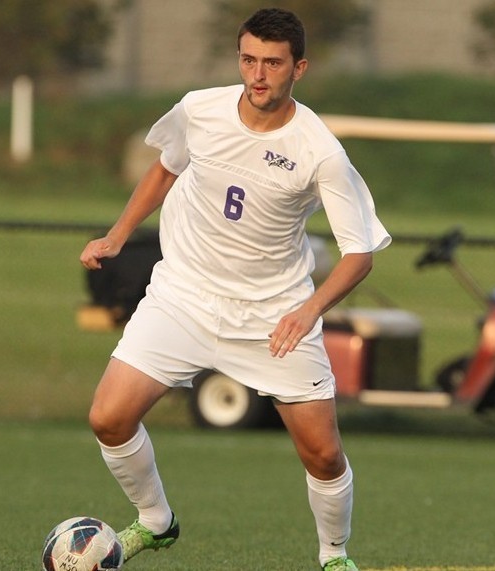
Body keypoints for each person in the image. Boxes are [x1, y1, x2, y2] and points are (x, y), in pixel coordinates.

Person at [79, 8, 390, 571]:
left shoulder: (320, 150)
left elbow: (360, 253)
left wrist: (308, 310)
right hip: (183, 296)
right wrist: (118, 235)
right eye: (248, 59)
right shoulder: (200, 108)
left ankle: (334, 556)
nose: (258, 75)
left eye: (272, 63)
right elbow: (165, 168)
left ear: (300, 68)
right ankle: (156, 522)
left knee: (322, 453)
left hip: (272, 315)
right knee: (109, 417)